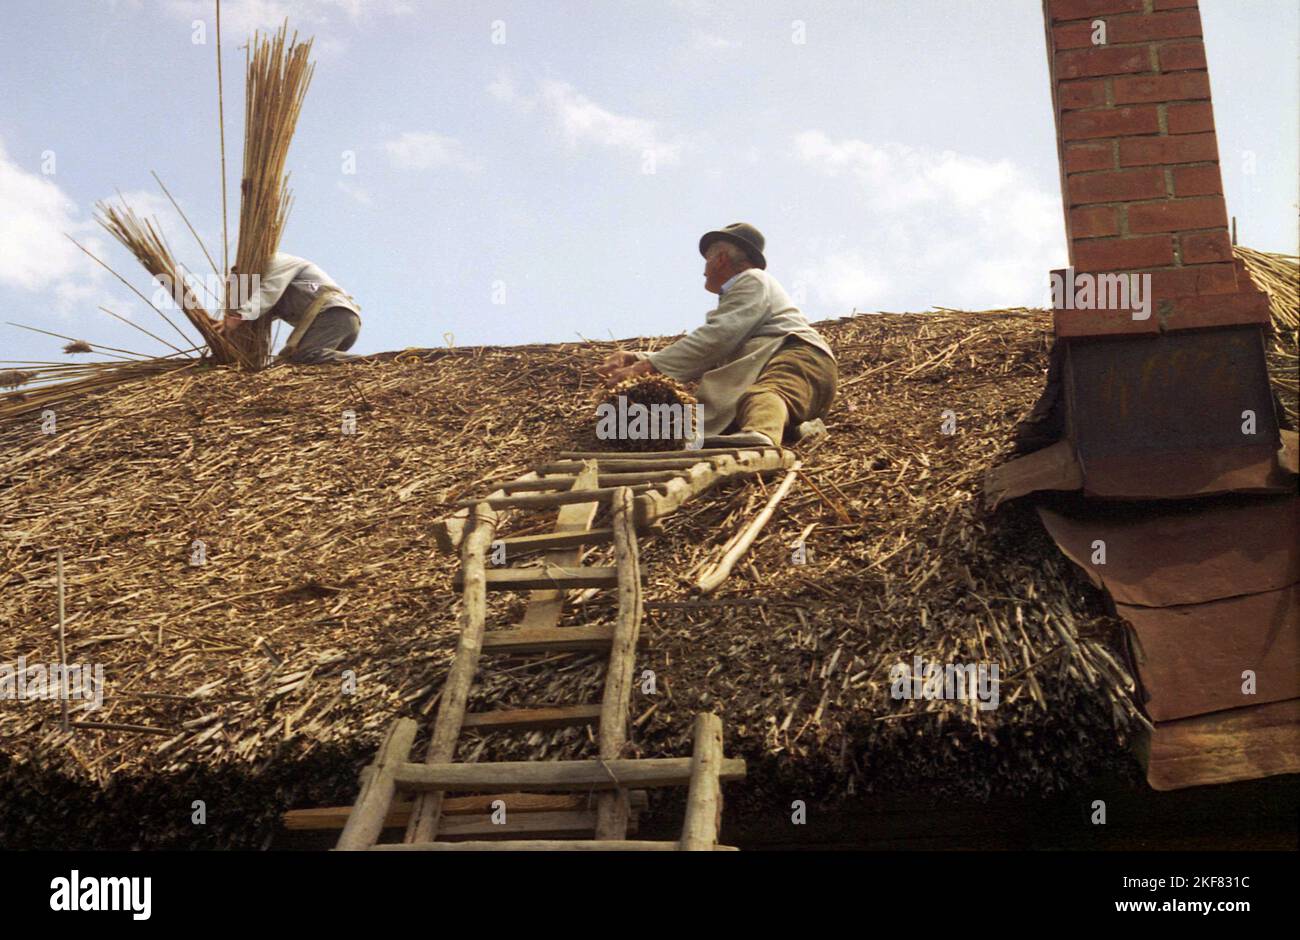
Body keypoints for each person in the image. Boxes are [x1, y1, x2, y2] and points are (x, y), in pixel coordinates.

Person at [597, 222, 837, 447]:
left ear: (721, 259)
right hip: (804, 381)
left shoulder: (752, 280)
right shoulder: (740, 297)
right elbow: (719, 345)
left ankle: (761, 436)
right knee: (746, 405)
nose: (704, 268)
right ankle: (788, 429)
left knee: (764, 394)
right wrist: (637, 357)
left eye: (707, 258)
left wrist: (646, 367)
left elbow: (717, 338)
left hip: (799, 356)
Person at [214, 253, 362, 364]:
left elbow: (270, 290)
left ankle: (375, 362)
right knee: (300, 365)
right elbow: (264, 309)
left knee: (305, 355)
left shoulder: (277, 262)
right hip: (338, 321)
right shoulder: (269, 290)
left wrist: (241, 316)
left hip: (333, 315)